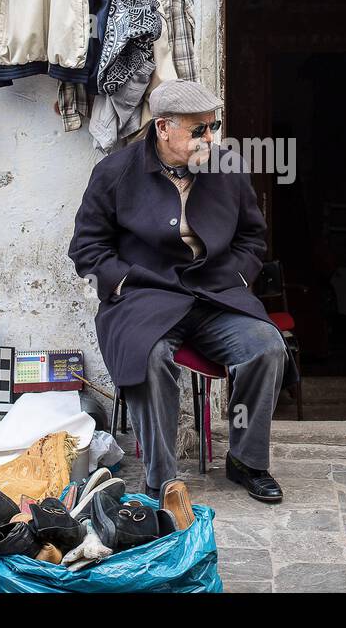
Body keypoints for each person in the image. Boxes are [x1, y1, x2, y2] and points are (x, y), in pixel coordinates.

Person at [69, 81, 291, 503]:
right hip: (145, 297)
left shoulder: (227, 167)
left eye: (213, 127)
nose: (210, 138)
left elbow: (252, 237)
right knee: (149, 358)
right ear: (163, 128)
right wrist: (121, 283)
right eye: (198, 130)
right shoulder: (115, 172)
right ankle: (162, 478)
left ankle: (247, 460)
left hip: (215, 296)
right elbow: (87, 248)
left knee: (266, 346)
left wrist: (238, 278)